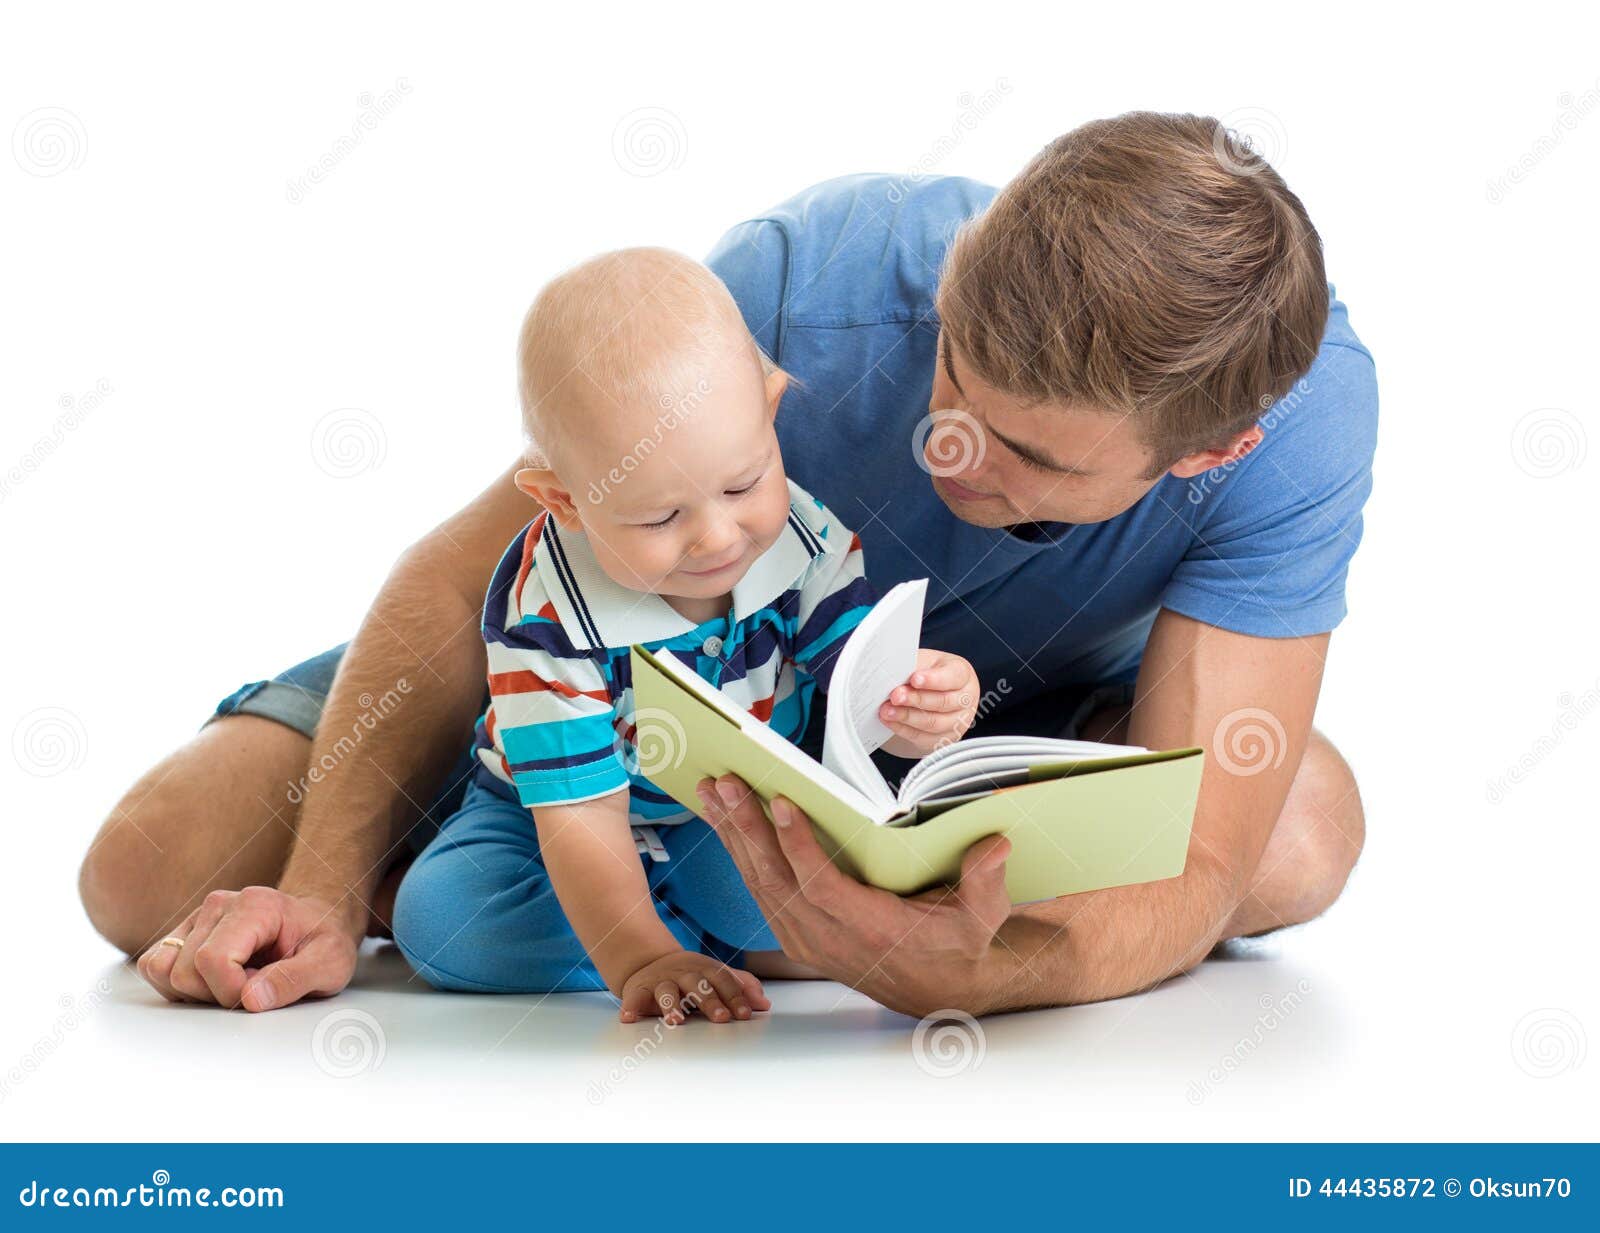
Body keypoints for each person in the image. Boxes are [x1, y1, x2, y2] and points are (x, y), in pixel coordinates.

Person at [84, 112, 1376, 1018]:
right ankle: (540, 868)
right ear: (966, 265)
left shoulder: (1299, 430)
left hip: (992, 722)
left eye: (1032, 459)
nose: (954, 451)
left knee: (1297, 837)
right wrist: (315, 889)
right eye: (956, 383)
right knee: (143, 874)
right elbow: (473, 574)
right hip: (648, 675)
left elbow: (1204, 857)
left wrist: (970, 979)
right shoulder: (811, 282)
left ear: (1213, 451)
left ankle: (651, 907)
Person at [390, 247, 980, 1023]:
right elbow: (582, 816)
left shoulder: (806, 540)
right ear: (563, 499)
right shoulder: (548, 614)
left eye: (742, 484)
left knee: (829, 897)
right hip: (550, 821)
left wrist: (925, 709)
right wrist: (641, 956)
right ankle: (681, 938)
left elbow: (861, 706)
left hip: (729, 812)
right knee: (439, 922)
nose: (717, 537)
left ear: (771, 411)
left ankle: (713, 929)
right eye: (661, 517)